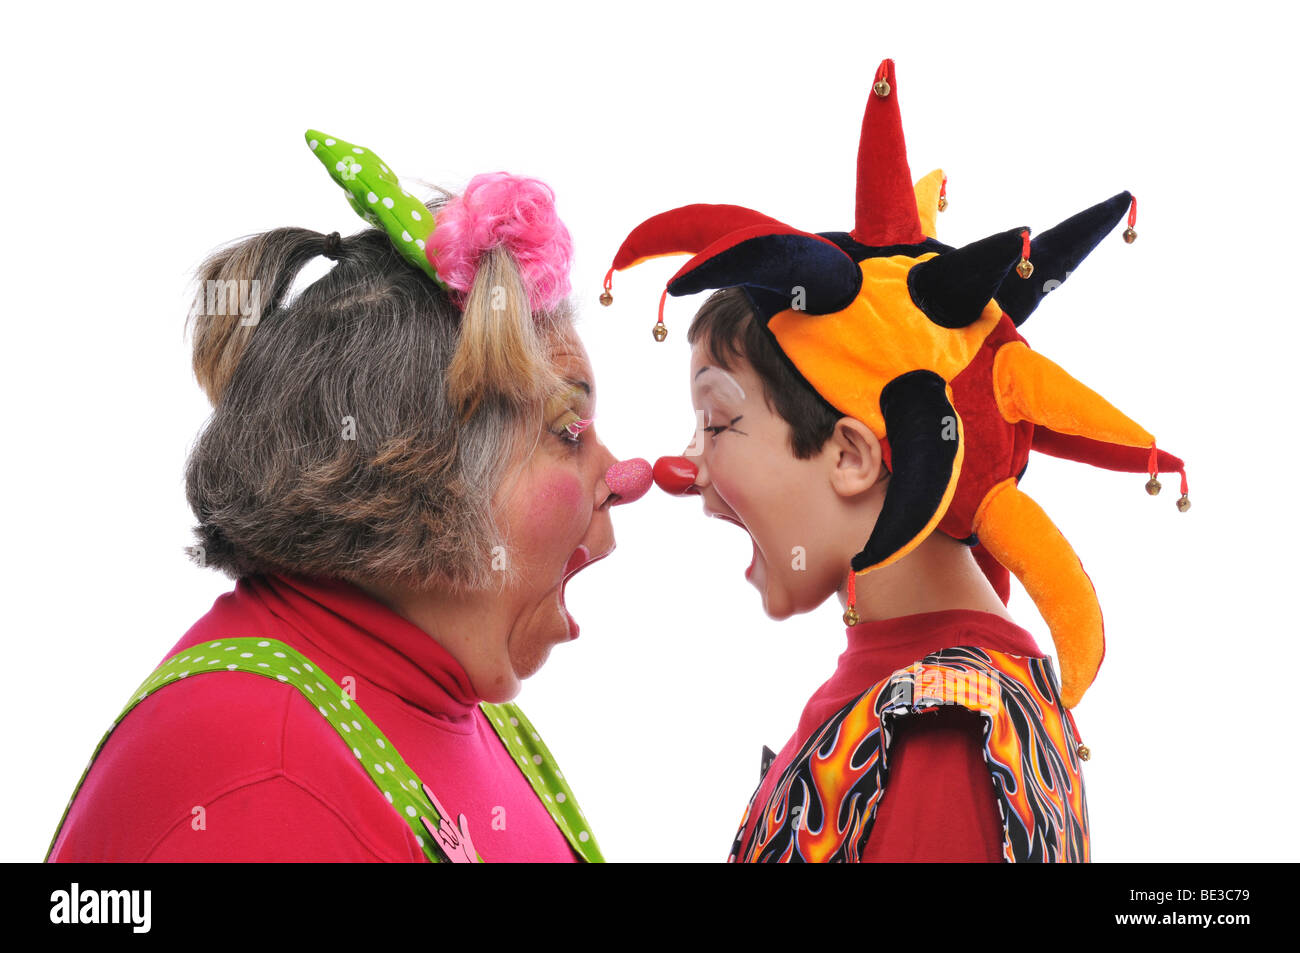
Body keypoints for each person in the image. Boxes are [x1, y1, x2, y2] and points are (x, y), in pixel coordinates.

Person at [604, 59, 1190, 862]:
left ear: (850, 453)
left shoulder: (941, 738)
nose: (683, 472)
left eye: (716, 423)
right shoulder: (906, 691)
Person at [45, 130, 651, 863]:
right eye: (568, 429)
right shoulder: (255, 771)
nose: (624, 475)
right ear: (427, 459)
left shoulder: (479, 718)